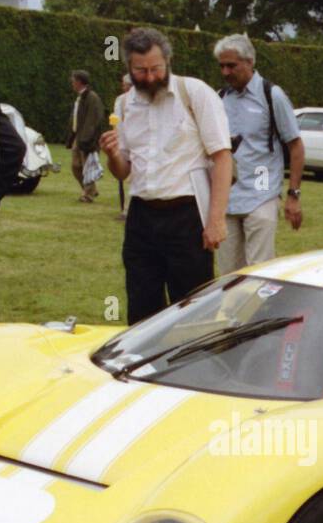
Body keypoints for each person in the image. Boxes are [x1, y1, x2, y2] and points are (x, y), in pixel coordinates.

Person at [98, 27, 231, 325]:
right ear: (129, 68)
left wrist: (216, 220)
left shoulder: (194, 93)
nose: (149, 77)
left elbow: (222, 158)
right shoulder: (124, 105)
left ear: (168, 61)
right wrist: (112, 155)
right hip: (141, 218)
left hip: (187, 218)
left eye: (156, 68)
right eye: (140, 70)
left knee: (195, 312)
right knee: (142, 312)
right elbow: (123, 170)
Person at [214, 34, 303, 272]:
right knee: (228, 276)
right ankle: (231, 311)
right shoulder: (219, 98)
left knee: (259, 272)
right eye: (222, 66)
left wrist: (293, 195)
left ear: (250, 62)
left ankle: (262, 311)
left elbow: (295, 145)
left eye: (231, 65)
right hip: (227, 199)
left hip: (261, 196)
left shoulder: (272, 95)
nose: (225, 72)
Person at [66, 69, 105, 203]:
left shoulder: (92, 98)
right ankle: (90, 189)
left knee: (87, 166)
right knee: (75, 166)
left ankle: (88, 194)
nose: (72, 83)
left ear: (79, 82)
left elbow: (93, 120)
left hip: (87, 139)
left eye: (73, 80)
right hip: (78, 137)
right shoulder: (80, 97)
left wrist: (86, 139)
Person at [113, 73, 132, 219]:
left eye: (124, 84)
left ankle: (126, 209)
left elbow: (117, 124)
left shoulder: (122, 100)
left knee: (128, 178)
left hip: (127, 143)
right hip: (128, 143)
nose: (123, 87)